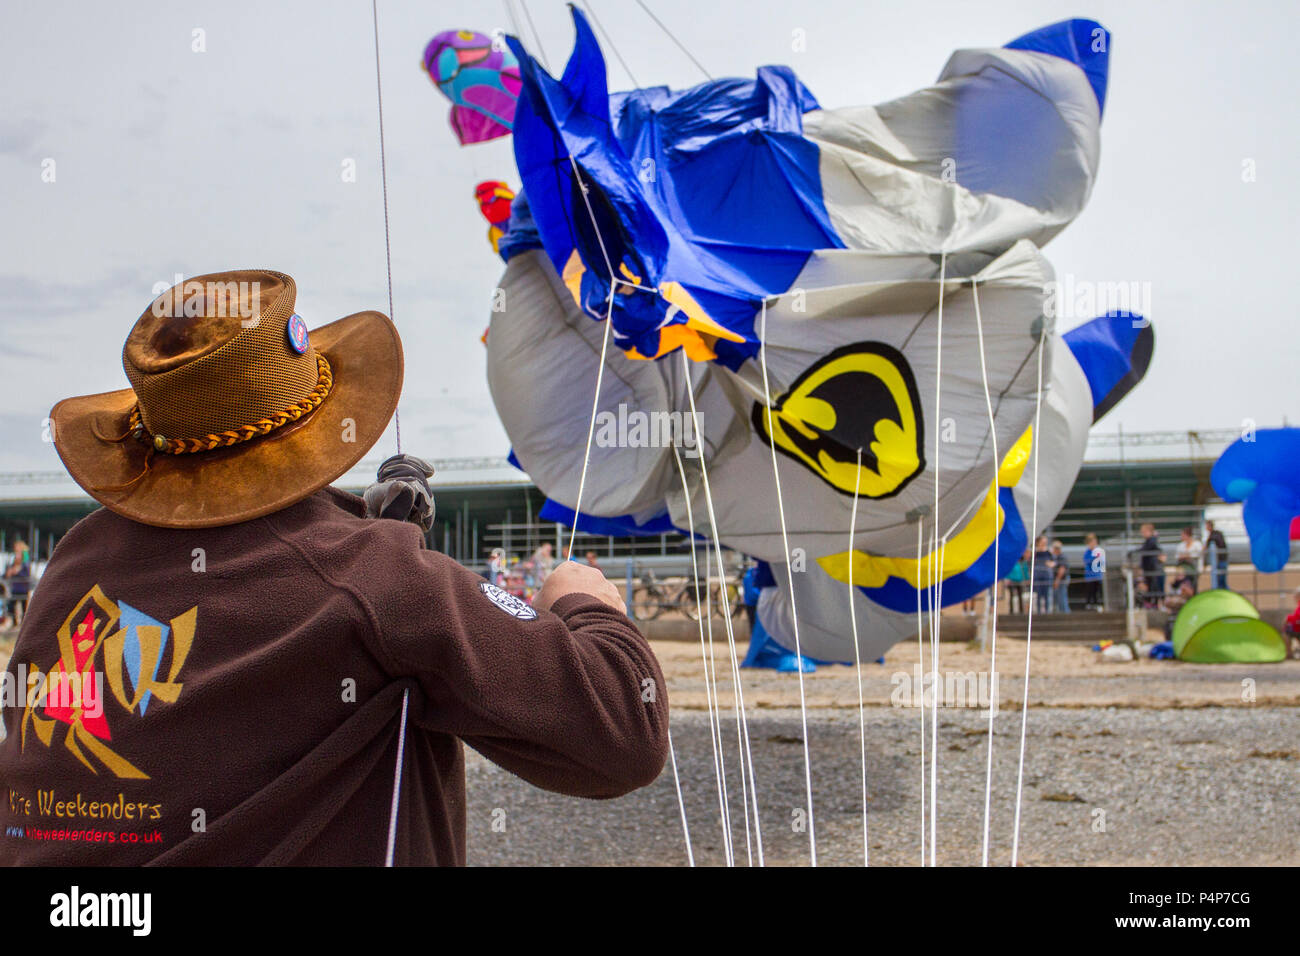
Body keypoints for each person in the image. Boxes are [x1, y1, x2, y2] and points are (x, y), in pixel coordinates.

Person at [0, 271, 667, 866]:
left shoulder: (75, 561)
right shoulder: (369, 576)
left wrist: (363, 539)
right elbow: (622, 733)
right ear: (312, 421)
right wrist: (586, 604)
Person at [1137, 523, 1166, 610]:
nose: (1142, 534)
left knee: (1155, 589)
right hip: (1149, 570)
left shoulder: (1152, 541)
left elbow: (1146, 550)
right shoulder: (1149, 541)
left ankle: (1155, 606)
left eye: (1144, 532)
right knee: (1149, 588)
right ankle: (1151, 605)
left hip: (1154, 570)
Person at [3, 540, 31, 628]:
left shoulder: (25, 559)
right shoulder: (13, 559)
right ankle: (15, 623)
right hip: (15, 588)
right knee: (11, 605)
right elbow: (8, 573)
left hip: (22, 588)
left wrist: (14, 571)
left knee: (23, 607)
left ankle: (23, 625)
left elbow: (23, 571)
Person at [1174, 526, 1203, 594]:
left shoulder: (1197, 544)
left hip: (1194, 569)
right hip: (1183, 571)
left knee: (1193, 586)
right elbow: (1177, 556)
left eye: (1183, 534)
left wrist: (1187, 556)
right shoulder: (1181, 545)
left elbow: (1199, 554)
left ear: (1187, 535)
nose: (1181, 536)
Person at [1081, 533, 1105, 610]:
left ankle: (1098, 605)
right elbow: (1087, 561)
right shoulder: (1087, 552)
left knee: (1097, 591)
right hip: (1089, 576)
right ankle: (1088, 605)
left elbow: (1101, 562)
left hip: (1097, 576)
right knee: (1089, 591)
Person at [1204, 520, 1229, 590]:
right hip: (1222, 559)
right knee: (1221, 580)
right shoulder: (1217, 534)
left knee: (1220, 580)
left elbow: (1208, 545)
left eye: (1206, 526)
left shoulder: (1214, 535)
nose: (1206, 527)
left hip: (1221, 560)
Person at [1031, 535, 1054, 613]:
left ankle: (1047, 611)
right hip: (1037, 575)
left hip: (1046, 575)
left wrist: (1050, 564)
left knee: (1047, 594)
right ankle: (1038, 611)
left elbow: (1053, 562)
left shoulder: (1048, 552)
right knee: (1038, 595)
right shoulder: (1035, 552)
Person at [1050, 540, 1071, 614]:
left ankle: (1066, 613)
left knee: (1062, 598)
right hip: (1058, 580)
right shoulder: (1054, 557)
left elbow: (1062, 570)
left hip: (1062, 580)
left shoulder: (1062, 557)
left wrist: (1057, 581)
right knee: (1058, 598)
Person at [1006, 549, 1029, 614]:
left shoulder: (1023, 563)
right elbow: (1008, 571)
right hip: (1012, 581)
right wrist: (1007, 578)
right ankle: (1011, 611)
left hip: (1020, 580)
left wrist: (1027, 579)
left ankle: (1021, 610)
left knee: (1020, 596)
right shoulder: (1011, 562)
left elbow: (1025, 571)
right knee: (1011, 596)